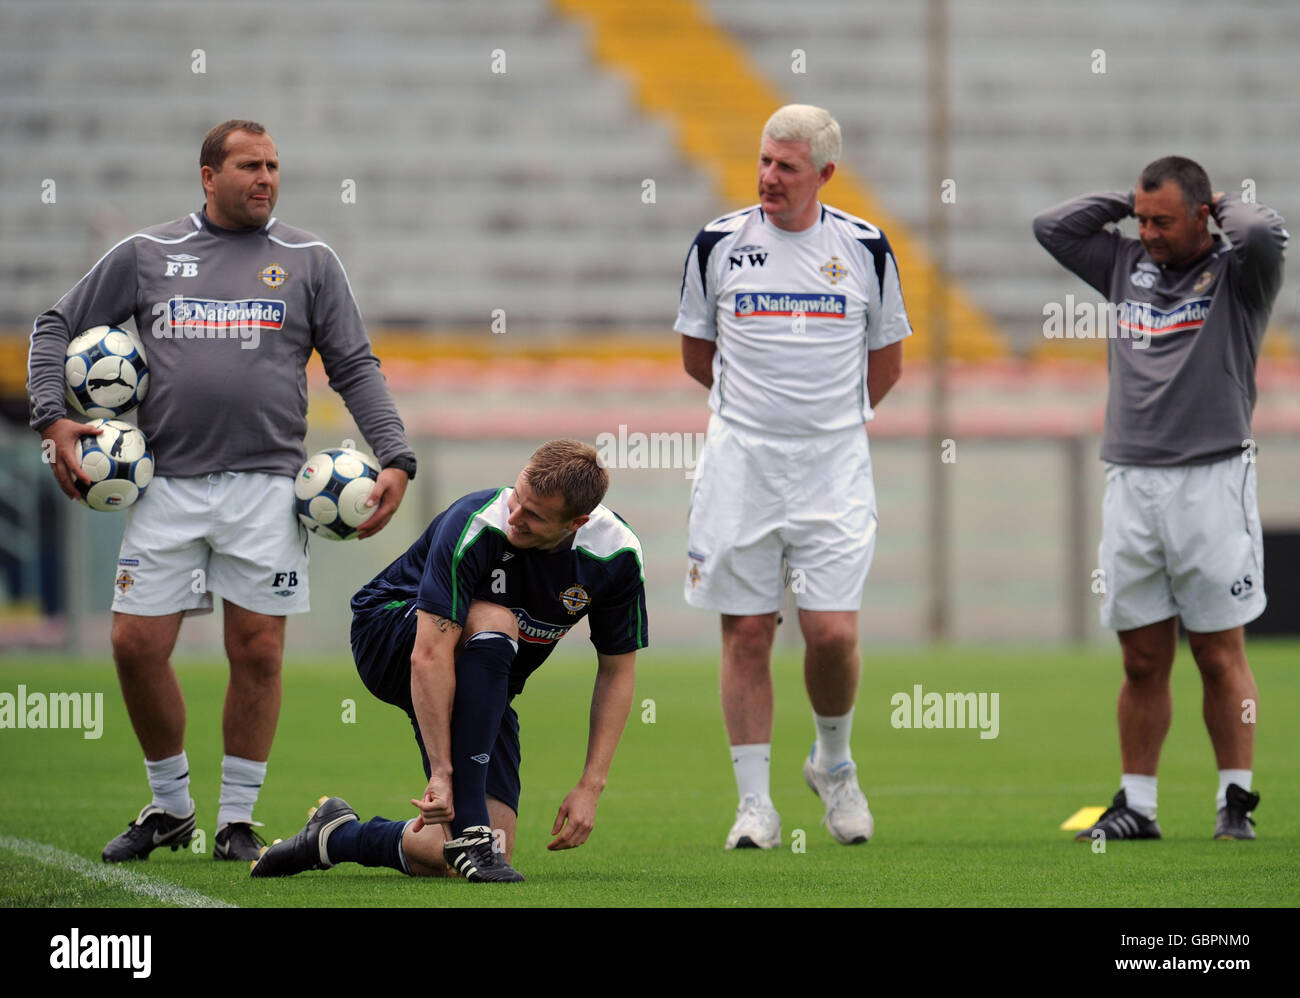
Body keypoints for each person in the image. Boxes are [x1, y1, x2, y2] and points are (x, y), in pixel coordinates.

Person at [27, 119, 417, 863]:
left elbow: (355, 366)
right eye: (249, 166)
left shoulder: (309, 260)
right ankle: (170, 807)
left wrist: (394, 454)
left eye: (273, 165)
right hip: (163, 484)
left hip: (269, 489)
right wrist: (54, 417)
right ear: (209, 177)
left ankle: (237, 819)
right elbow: (56, 325)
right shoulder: (148, 255)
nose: (265, 177)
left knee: (258, 651)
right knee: (135, 646)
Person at [250, 440, 647, 883]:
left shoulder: (617, 557)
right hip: (391, 632)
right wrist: (442, 773)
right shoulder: (475, 523)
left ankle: (336, 836)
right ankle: (470, 830)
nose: (515, 516)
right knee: (497, 618)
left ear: (577, 523)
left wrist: (590, 786)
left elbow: (617, 671)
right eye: (517, 497)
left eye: (534, 516)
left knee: (485, 850)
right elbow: (429, 654)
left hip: (480, 674)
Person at [674, 104, 910, 849]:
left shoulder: (867, 248)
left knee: (832, 633)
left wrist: (820, 428)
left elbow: (888, 362)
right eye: (765, 162)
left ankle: (832, 764)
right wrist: (760, 421)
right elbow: (695, 355)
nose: (769, 177)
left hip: (833, 470)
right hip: (740, 465)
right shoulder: (718, 242)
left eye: (787, 168)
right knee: (746, 632)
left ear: (825, 176)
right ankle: (754, 806)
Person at [1033, 156, 1287, 841]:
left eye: (1162, 220)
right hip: (1131, 479)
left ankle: (1235, 800)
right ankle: (1137, 806)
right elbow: (1050, 227)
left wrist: (1219, 203)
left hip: (1211, 478)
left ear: (1202, 216)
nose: (1146, 232)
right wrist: (1127, 199)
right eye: (1139, 219)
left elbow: (1264, 234)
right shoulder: (1124, 266)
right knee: (1142, 658)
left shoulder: (1239, 276)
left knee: (1217, 653)